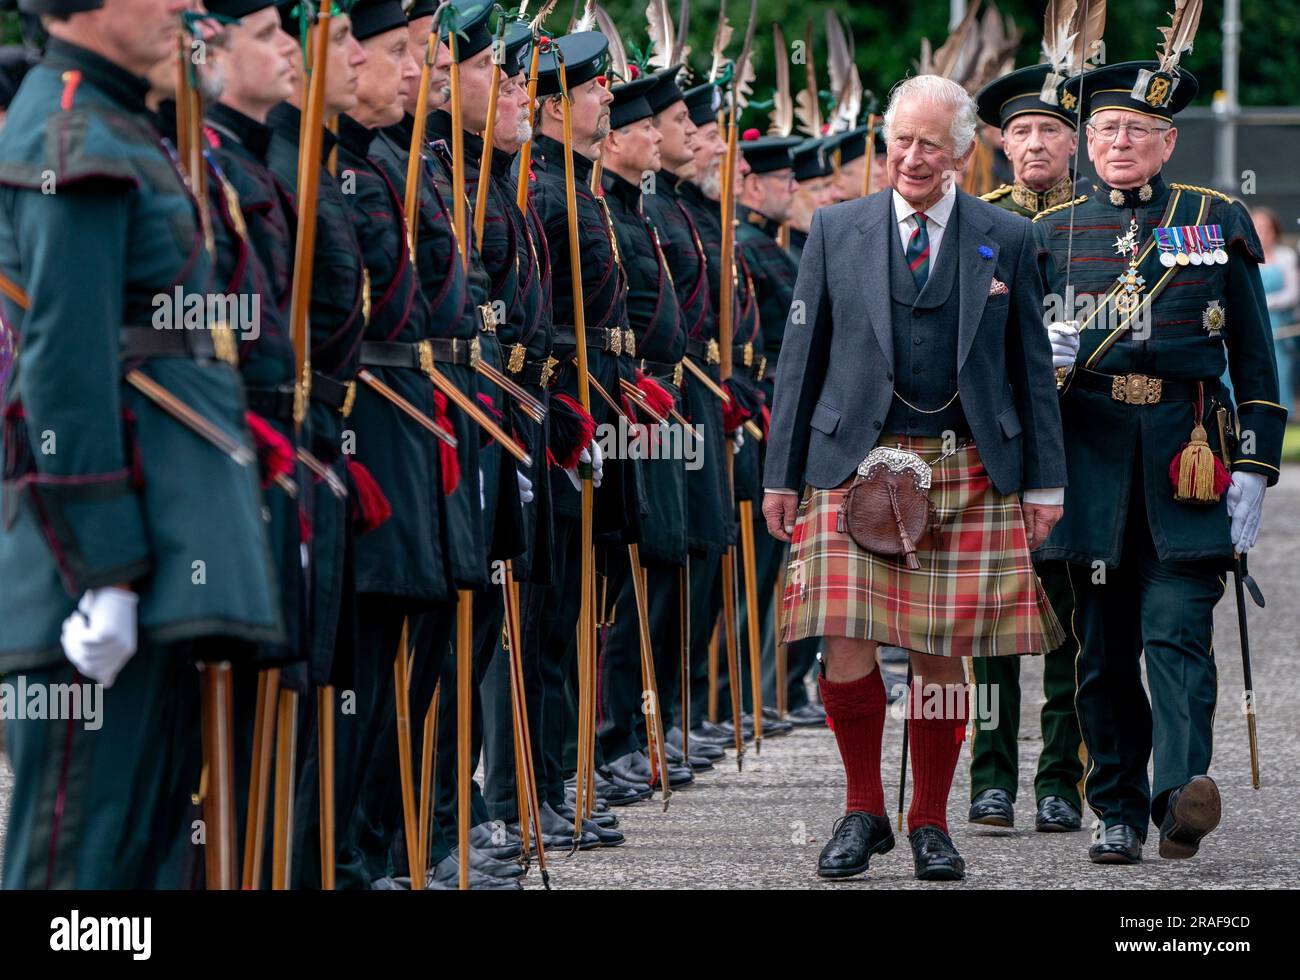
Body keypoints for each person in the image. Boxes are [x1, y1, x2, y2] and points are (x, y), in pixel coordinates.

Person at [0, 0, 283, 888]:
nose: (184, 6)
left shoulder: (120, 121)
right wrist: (107, 572)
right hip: (95, 568)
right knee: (77, 863)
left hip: (162, 548)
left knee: (144, 856)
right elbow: (65, 367)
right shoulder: (73, 132)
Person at [762, 74, 1067, 882]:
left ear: (963, 152)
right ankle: (864, 809)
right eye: (901, 140)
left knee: (941, 652)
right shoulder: (836, 228)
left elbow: (1030, 368)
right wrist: (780, 476)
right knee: (844, 638)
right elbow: (801, 361)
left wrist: (1045, 484)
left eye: (931, 144)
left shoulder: (1006, 235)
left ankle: (930, 819)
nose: (913, 157)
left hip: (966, 466)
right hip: (850, 463)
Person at [1037, 51, 1287, 864]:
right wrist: (1040, 364)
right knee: (1104, 654)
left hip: (1189, 463)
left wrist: (1255, 465)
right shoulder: (1047, 234)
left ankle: (1180, 797)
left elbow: (1254, 357)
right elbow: (1009, 366)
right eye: (1107, 128)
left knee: (1180, 637)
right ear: (1087, 141)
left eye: (1138, 130)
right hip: (1090, 465)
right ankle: (1114, 807)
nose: (1120, 142)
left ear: (1168, 141)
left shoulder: (1214, 221)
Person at [966, 59, 1089, 834]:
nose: (1035, 142)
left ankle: (1061, 781)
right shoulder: (976, 221)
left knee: (1075, 625)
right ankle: (990, 777)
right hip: (998, 444)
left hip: (1081, 441)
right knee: (990, 624)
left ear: (1074, 142)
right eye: (1021, 131)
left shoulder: (1104, 219)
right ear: (1001, 144)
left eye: (1049, 129)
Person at [594, 68, 699, 791]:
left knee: (661, 557)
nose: (659, 137)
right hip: (627, 403)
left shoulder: (638, 210)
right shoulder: (606, 206)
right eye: (643, 128)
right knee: (626, 569)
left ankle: (637, 725)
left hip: (660, 401)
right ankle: (611, 735)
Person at [1250, 206, 1299, 414]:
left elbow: (1293, 293)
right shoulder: (1243, 255)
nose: (1263, 233)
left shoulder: (1286, 256)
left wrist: (1265, 302)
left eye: (1266, 228)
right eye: (1257, 228)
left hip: (1279, 328)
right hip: (1250, 324)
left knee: (1278, 371)